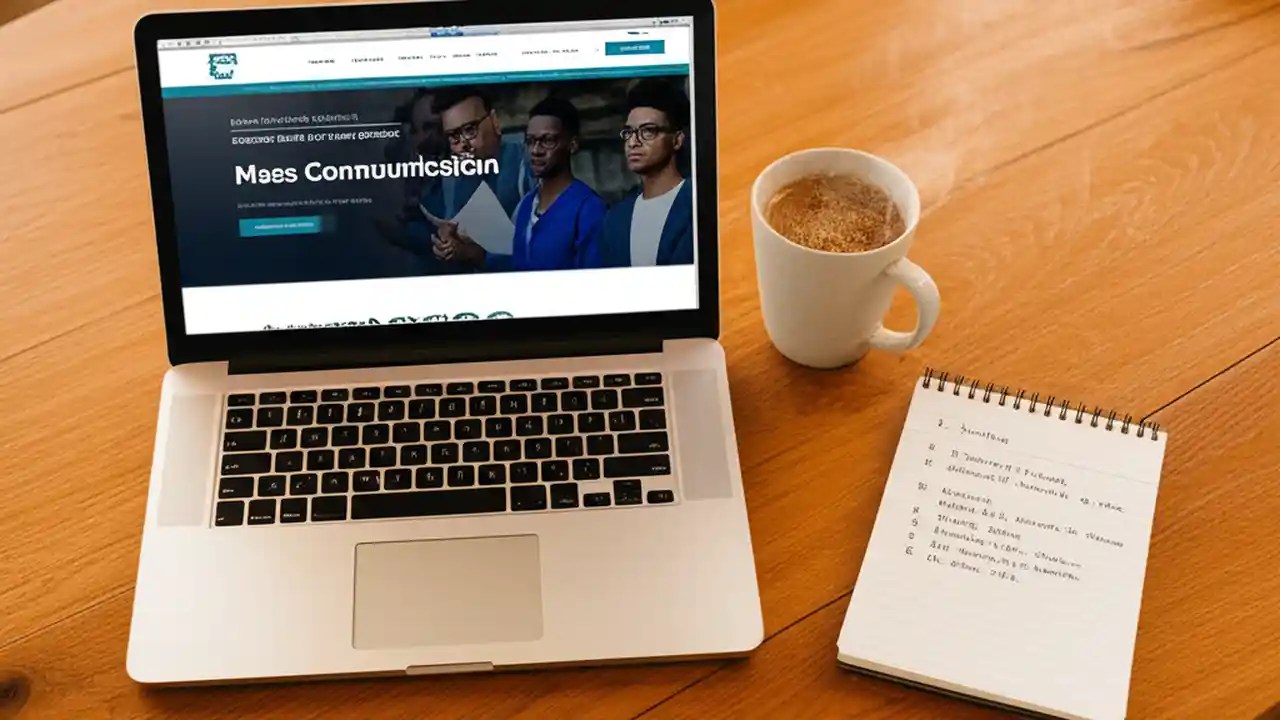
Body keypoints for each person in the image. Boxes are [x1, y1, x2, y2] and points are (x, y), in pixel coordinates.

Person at [434, 97, 605, 272]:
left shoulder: (588, 209)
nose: (536, 150)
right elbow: (519, 266)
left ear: (572, 144)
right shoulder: (527, 205)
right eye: (530, 141)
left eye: (548, 141)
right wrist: (471, 253)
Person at [595, 80, 694, 268]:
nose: (633, 142)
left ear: (677, 140)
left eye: (648, 131)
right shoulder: (616, 218)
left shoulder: (697, 204)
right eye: (629, 132)